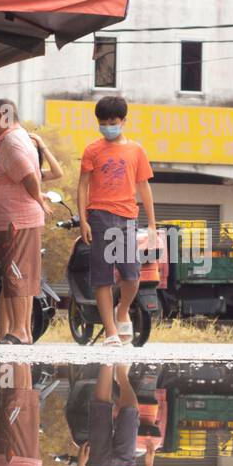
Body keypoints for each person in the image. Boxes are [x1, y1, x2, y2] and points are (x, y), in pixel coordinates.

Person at [77, 95, 156, 346]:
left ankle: (122, 311)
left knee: (132, 276)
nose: (107, 126)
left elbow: (144, 187)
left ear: (123, 121)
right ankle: (111, 333)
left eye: (112, 121)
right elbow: (82, 187)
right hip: (99, 216)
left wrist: (153, 224)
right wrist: (83, 220)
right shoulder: (92, 149)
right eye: (102, 121)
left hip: (127, 217)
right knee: (102, 277)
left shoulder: (136, 150)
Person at [0, 99, 47, 344]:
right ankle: (23, 331)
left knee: (16, 274)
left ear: (1, 115)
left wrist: (39, 199)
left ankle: (19, 330)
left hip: (15, 219)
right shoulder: (13, 139)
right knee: (19, 274)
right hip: (12, 218)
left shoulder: (11, 141)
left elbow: (28, 175)